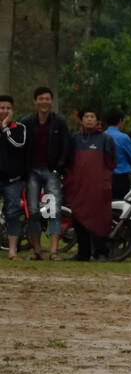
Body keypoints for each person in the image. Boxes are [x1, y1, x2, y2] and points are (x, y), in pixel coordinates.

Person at [21, 86, 72, 260]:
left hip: (52, 171)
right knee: (33, 211)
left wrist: (59, 167)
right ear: (35, 101)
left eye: (47, 99)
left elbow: (66, 146)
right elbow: (20, 147)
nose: (44, 102)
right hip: (32, 172)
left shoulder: (59, 122)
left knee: (54, 210)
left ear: (52, 101)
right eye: (41, 99)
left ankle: (53, 251)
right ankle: (37, 249)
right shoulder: (26, 122)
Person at [64, 107, 116, 261]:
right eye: (86, 116)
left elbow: (111, 163)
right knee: (79, 219)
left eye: (92, 116)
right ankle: (83, 253)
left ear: (97, 120)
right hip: (78, 187)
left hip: (98, 187)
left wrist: (104, 181)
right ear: (81, 120)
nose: (89, 119)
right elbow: (69, 163)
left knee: (99, 219)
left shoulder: (106, 139)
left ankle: (101, 252)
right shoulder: (75, 139)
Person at [1, 95, 28, 259]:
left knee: (12, 214)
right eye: (1, 107)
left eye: (7, 108)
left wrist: (5, 128)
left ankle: (12, 250)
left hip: (12, 180)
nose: (4, 111)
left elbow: (19, 146)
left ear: (12, 110)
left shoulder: (19, 128)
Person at [103, 108, 131, 200]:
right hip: (120, 179)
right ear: (120, 121)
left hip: (104, 178)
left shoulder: (101, 136)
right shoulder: (123, 138)